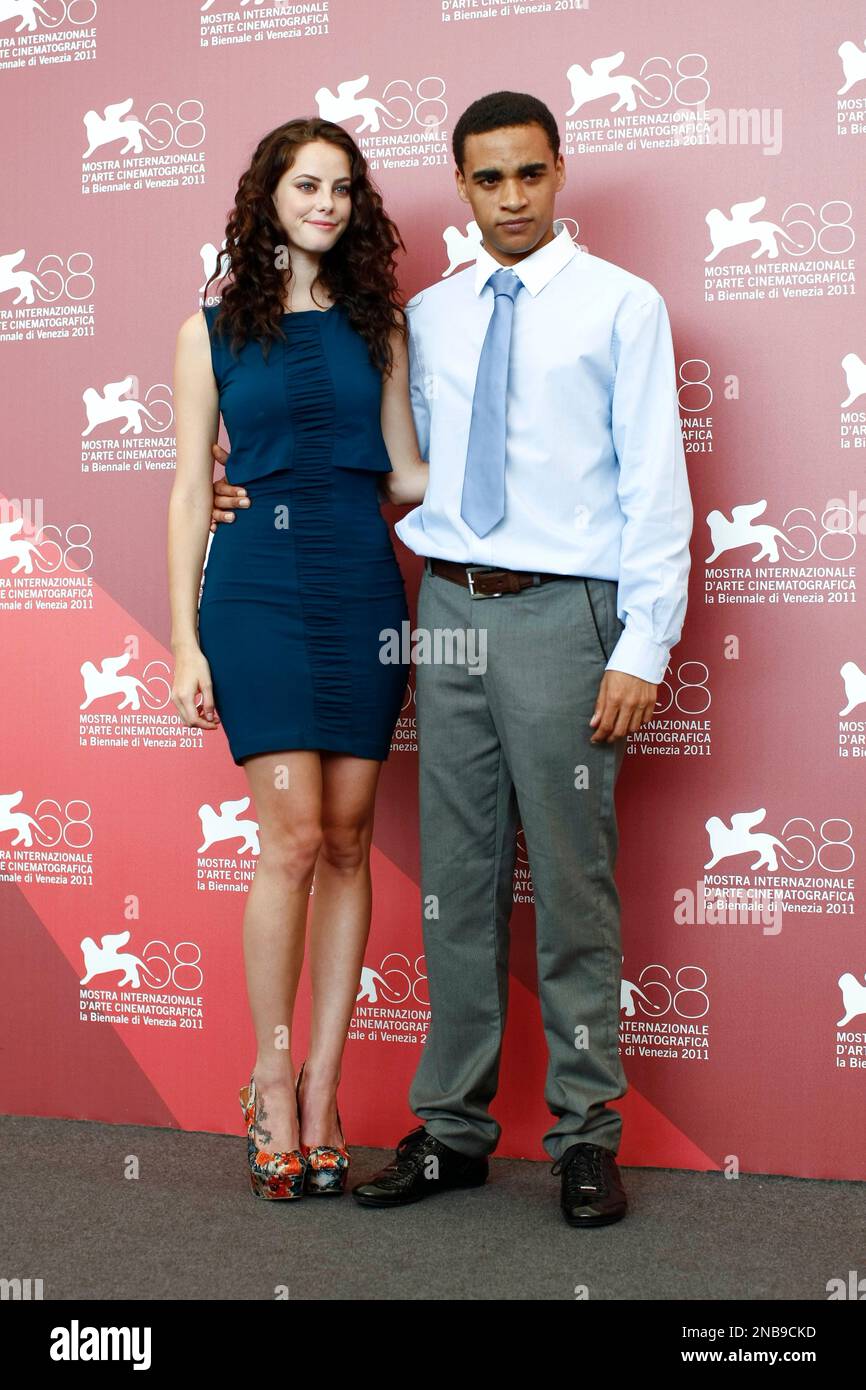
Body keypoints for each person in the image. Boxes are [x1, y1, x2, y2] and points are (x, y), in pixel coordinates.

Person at [210, 90, 693, 1227]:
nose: (510, 197)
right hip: (446, 616)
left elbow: (655, 488)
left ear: (558, 172)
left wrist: (643, 643)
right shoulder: (421, 315)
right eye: (487, 179)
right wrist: (241, 492)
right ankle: (455, 1130)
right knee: (454, 889)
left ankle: (583, 1134)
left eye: (529, 174)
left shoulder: (624, 307)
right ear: (462, 186)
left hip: (568, 617)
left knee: (571, 891)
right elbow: (380, 461)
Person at [168, 117, 427, 1200]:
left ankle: (327, 1091)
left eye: (340, 188)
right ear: (266, 196)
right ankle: (271, 1079)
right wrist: (182, 633)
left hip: (361, 581)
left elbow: (407, 474)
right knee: (292, 840)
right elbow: (192, 483)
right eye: (304, 184)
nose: (324, 202)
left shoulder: (383, 325)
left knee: (351, 839)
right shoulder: (211, 328)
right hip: (257, 595)